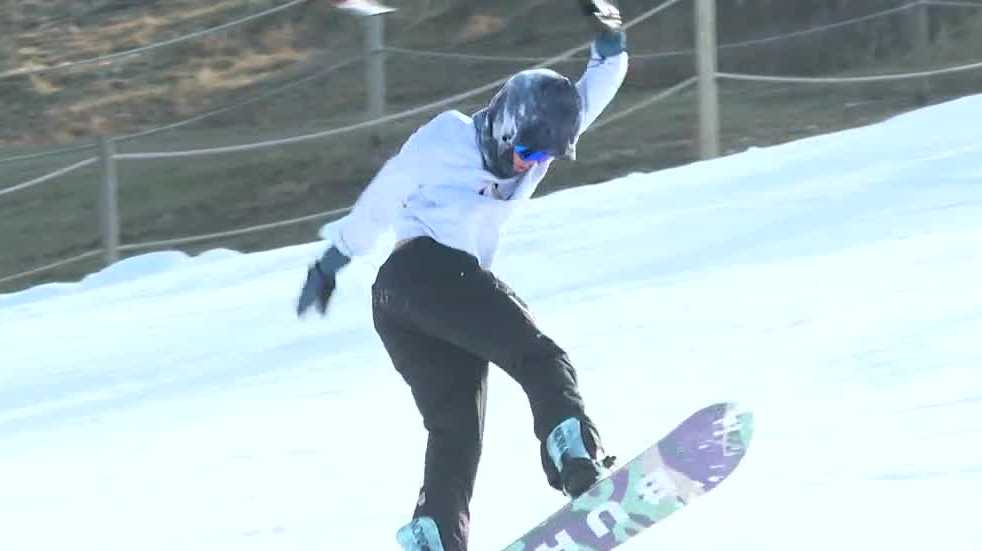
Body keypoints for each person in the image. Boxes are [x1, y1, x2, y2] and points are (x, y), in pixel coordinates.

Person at [297, 2, 628, 549]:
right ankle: (576, 458)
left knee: (455, 431)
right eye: (524, 151)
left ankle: (436, 535)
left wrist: (610, 40)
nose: (528, 165)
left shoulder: (540, 143)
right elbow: (382, 197)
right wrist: (333, 260)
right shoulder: (445, 139)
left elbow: (600, 83)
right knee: (541, 358)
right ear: (502, 125)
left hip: (416, 308)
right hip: (420, 275)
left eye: (542, 157)